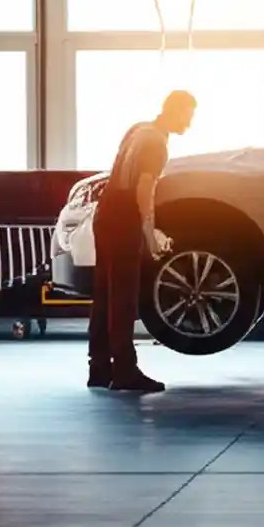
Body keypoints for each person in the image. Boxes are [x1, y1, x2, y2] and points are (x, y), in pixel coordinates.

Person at [88, 90, 197, 392]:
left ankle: (98, 368)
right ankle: (124, 371)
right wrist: (150, 232)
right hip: (124, 219)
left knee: (105, 294)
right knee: (123, 298)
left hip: (105, 213)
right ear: (176, 110)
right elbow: (144, 188)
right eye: (188, 115)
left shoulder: (138, 129)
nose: (190, 123)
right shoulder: (156, 144)